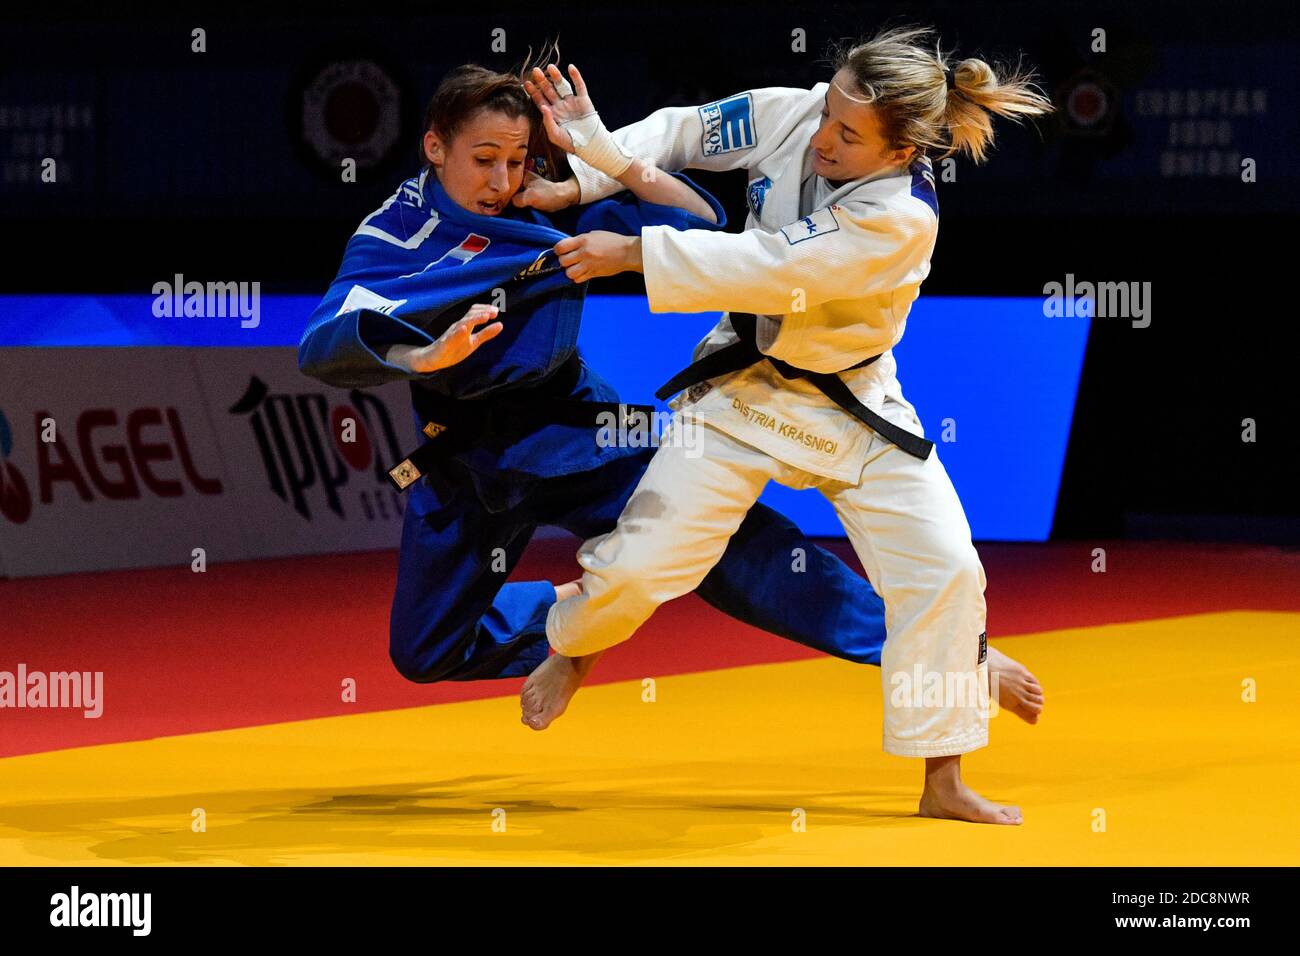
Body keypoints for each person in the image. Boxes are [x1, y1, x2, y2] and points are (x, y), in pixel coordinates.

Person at [298, 57, 1045, 718]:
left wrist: (606, 177)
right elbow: (330, 333)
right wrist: (423, 359)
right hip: (462, 459)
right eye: (483, 159)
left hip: (572, 427)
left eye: (519, 159)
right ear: (435, 148)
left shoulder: (538, 204)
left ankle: (955, 660)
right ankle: (585, 606)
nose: (503, 181)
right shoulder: (399, 231)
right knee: (425, 649)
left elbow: (702, 220)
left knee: (740, 554)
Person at [524, 26, 1054, 824]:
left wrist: (630, 255)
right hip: (743, 387)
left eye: (849, 133)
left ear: (902, 149)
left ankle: (943, 781)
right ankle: (574, 648)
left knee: (946, 568)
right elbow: (685, 130)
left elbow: (768, 267)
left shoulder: (900, 218)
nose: (823, 136)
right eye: (830, 111)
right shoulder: (801, 113)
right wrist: (594, 150)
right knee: (639, 571)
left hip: (853, 402)